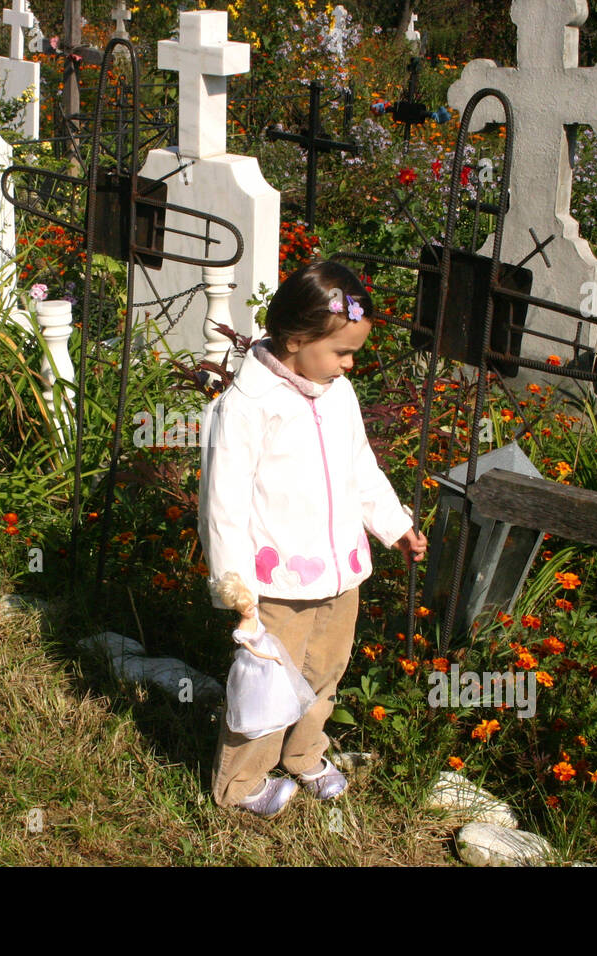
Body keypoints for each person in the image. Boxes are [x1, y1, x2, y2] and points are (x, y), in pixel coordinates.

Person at [197, 259, 428, 818]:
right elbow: (222, 503)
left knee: (324, 671)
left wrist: (393, 525)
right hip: (274, 581)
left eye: (353, 354)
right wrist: (236, 587)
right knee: (267, 686)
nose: (349, 365)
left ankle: (304, 753)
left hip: (340, 569)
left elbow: (360, 467)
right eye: (341, 353)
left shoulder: (338, 394)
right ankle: (241, 783)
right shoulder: (249, 405)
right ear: (296, 341)